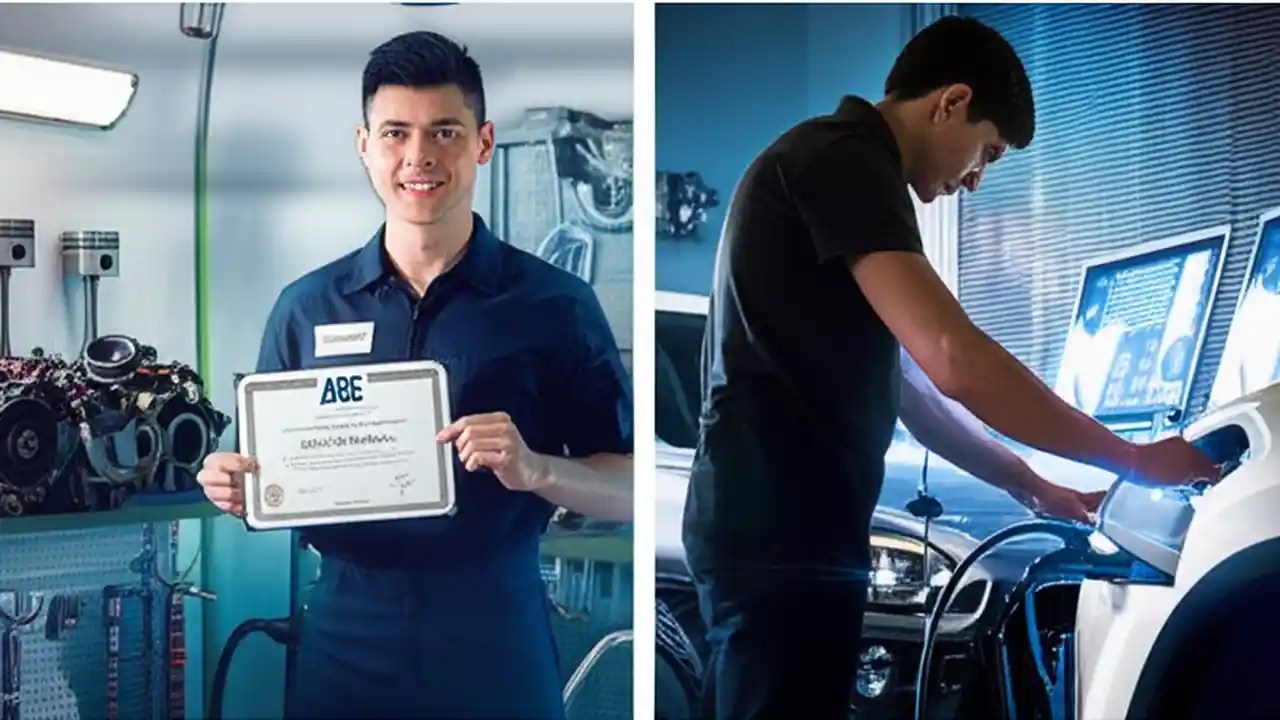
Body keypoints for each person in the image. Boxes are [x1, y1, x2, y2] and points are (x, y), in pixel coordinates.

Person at [682, 15, 1219, 720]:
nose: (974, 180)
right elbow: (955, 358)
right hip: (781, 539)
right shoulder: (842, 162)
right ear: (952, 102)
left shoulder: (838, 165)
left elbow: (908, 388)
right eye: (987, 153)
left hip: (786, 534)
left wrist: (1031, 485)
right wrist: (1133, 458)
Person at [197, 31, 633, 720]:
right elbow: (264, 469)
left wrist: (538, 469)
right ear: (364, 144)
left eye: (445, 132)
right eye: (395, 132)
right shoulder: (306, 308)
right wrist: (232, 483)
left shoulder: (556, 307)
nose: (419, 156)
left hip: (493, 630)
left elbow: (631, 486)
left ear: (483, 142)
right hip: (344, 630)